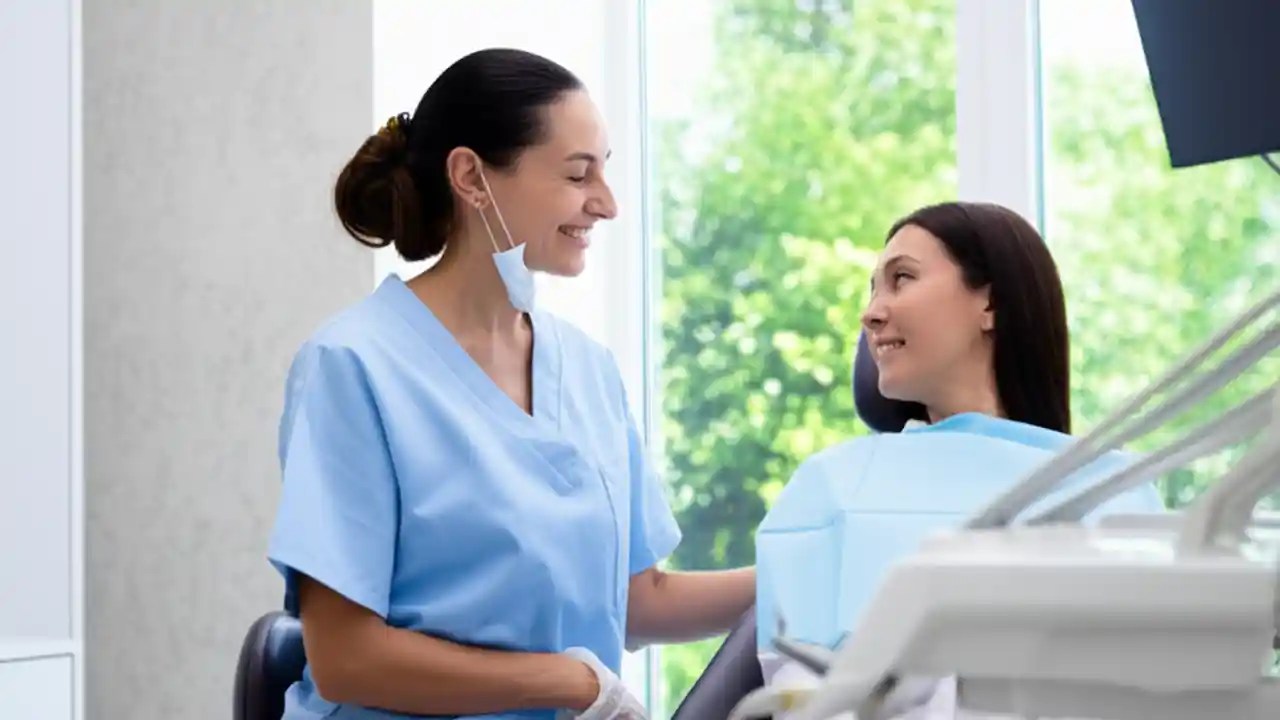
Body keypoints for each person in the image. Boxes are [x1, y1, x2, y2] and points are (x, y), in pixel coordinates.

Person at [267, 48, 754, 720]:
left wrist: (806, 580)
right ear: (471, 177)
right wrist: (573, 686)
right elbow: (347, 658)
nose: (606, 204)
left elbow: (637, 601)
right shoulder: (353, 366)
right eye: (578, 175)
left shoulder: (588, 371)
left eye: (605, 172)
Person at [751, 202, 1166, 718]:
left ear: (989, 302)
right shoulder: (831, 487)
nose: (872, 311)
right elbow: (801, 696)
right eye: (872, 289)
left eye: (901, 279)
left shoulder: (1113, 489)